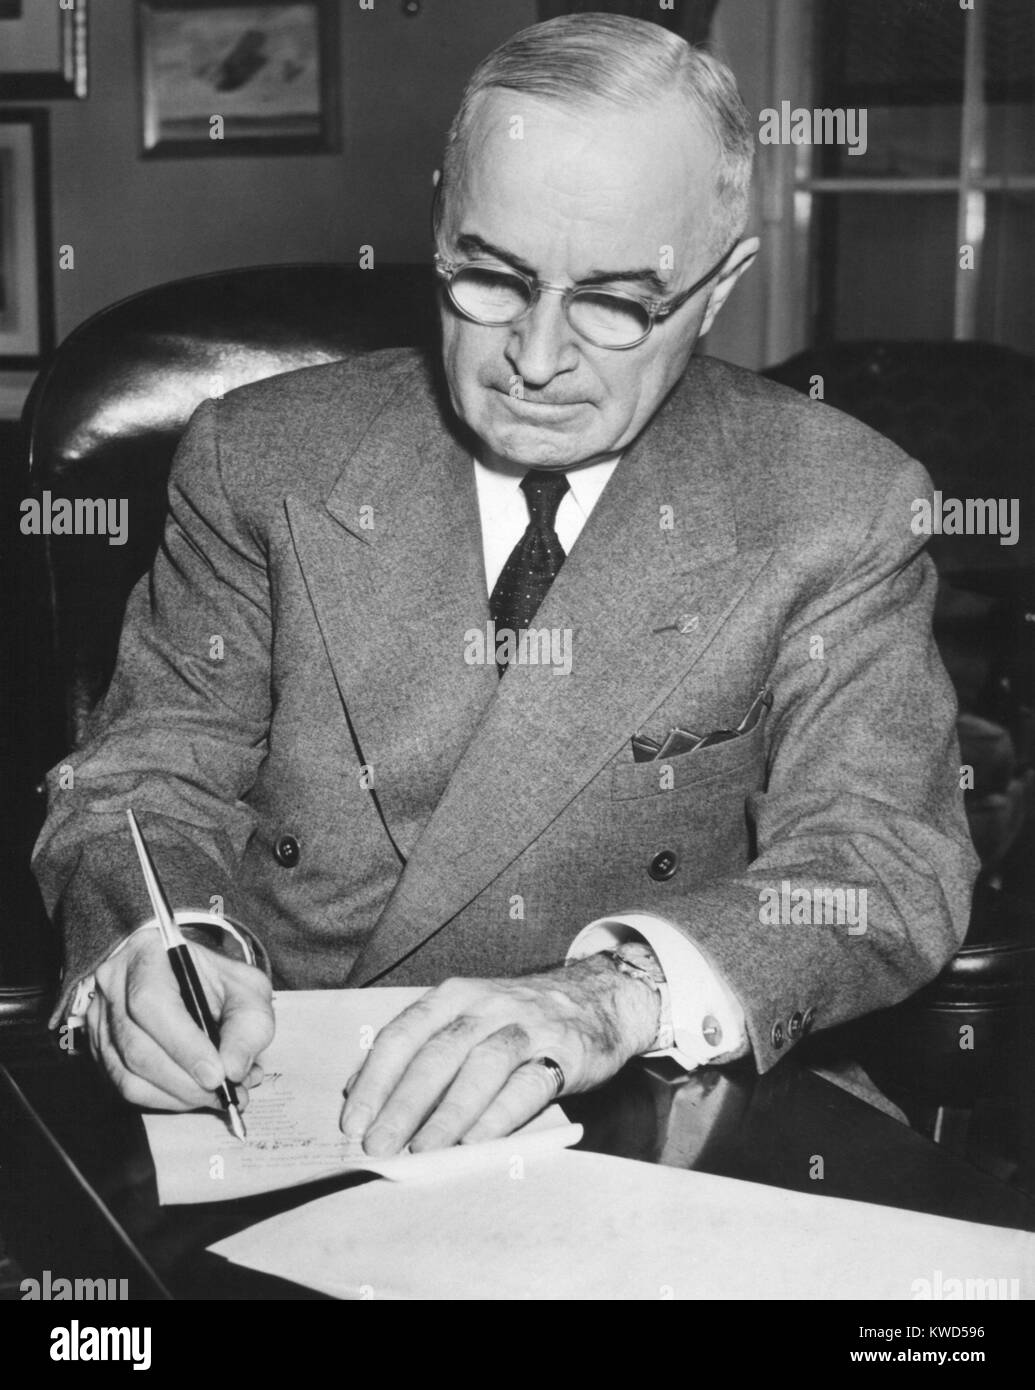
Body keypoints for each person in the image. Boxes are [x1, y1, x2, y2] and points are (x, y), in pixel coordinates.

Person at [33, 14, 977, 1156]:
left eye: (618, 303)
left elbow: (877, 862)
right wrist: (167, 944)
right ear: (438, 224)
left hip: (663, 1107)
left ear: (722, 285)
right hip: (284, 1106)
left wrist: (610, 993)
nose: (534, 359)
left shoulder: (838, 501)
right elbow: (148, 774)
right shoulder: (261, 459)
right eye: (490, 276)